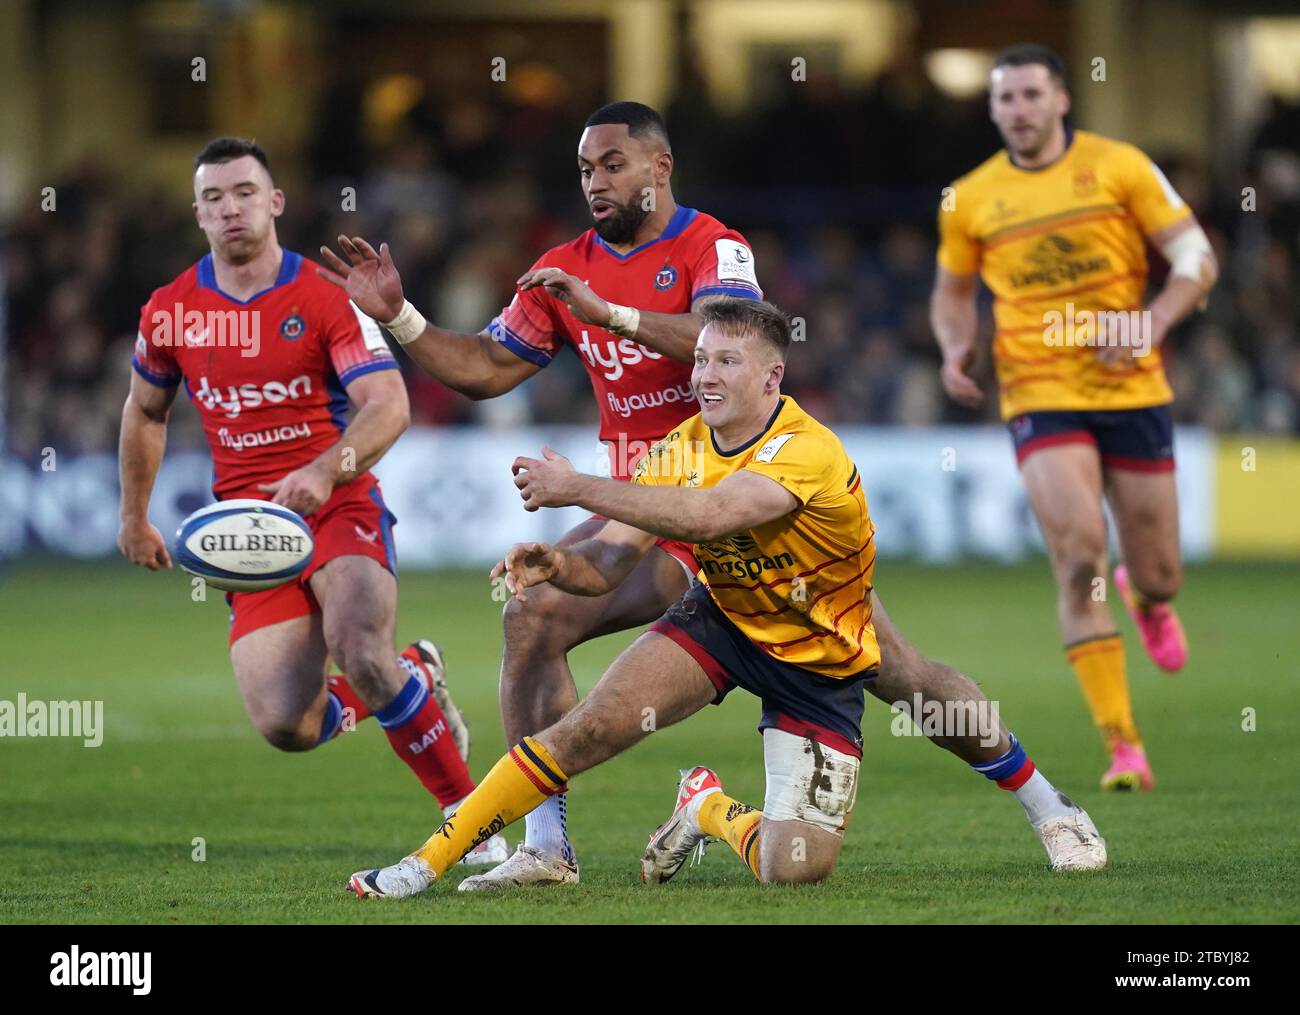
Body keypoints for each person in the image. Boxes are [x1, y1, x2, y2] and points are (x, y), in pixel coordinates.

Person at [348, 299, 1106, 899]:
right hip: (726, 621)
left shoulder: (806, 449)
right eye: (701, 357)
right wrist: (558, 563)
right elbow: (610, 563)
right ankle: (425, 864)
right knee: (590, 728)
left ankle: (1048, 807)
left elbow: (713, 515)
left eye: (726, 361)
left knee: (804, 856)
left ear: (771, 378)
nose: (703, 374)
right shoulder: (683, 443)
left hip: (825, 648)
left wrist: (575, 485)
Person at [118, 137, 506, 863]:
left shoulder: (326, 295)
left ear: (275, 202)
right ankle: (415, 673)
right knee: (287, 725)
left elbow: (387, 404)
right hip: (249, 531)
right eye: (213, 197)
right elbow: (145, 411)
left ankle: (470, 821)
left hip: (340, 501)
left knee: (358, 646)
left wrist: (328, 470)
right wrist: (132, 515)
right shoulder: (170, 310)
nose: (229, 207)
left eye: (243, 192)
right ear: (197, 213)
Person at [931, 44, 1218, 790]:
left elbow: (1196, 259)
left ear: (1062, 99)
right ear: (992, 110)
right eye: (1005, 99)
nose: (1019, 110)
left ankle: (1149, 595)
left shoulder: (1120, 166)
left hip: (1133, 388)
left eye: (1031, 95)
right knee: (1080, 552)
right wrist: (956, 346)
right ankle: (1124, 745)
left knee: (1158, 571)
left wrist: (1151, 323)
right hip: (1038, 390)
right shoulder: (969, 197)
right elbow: (954, 292)